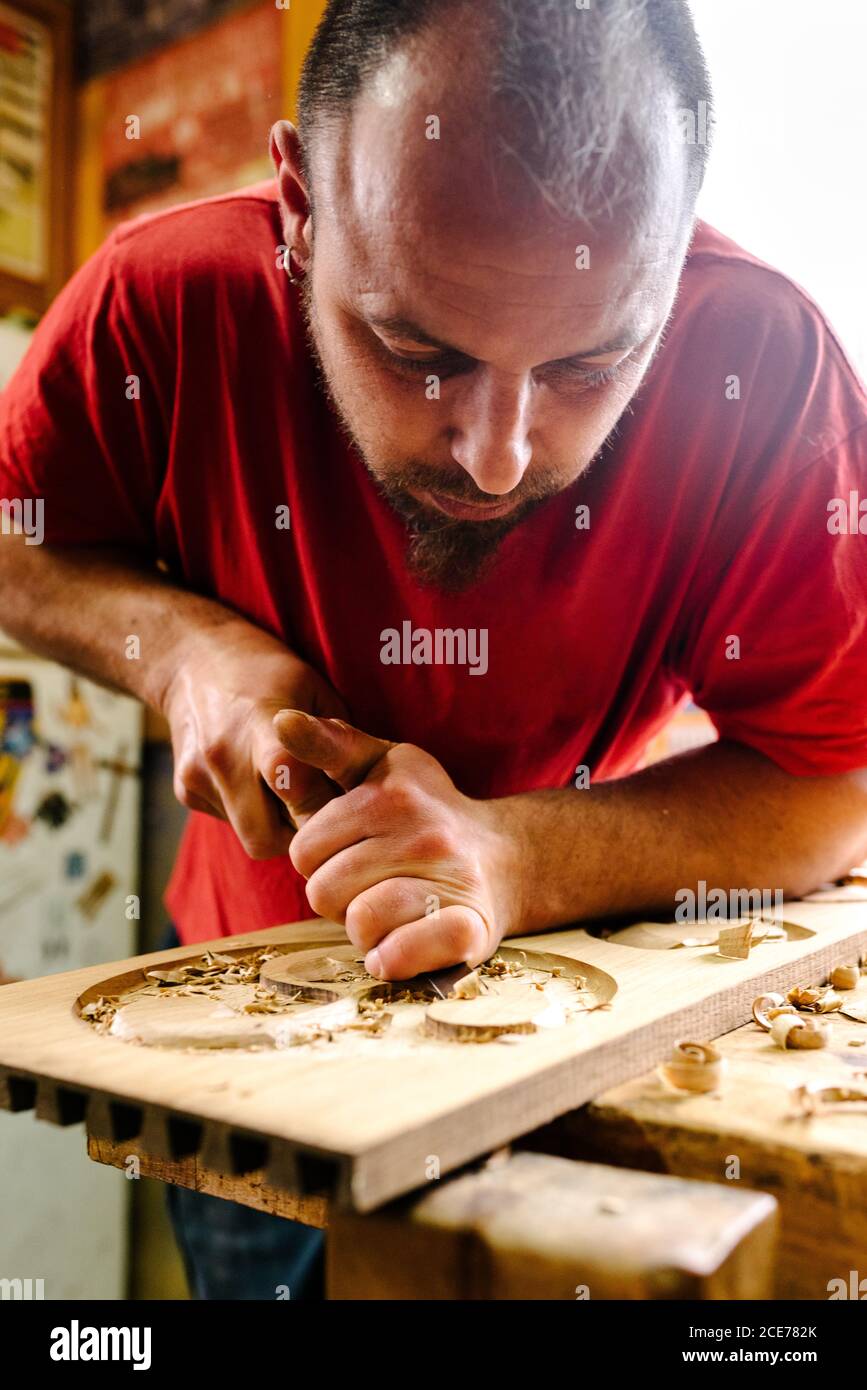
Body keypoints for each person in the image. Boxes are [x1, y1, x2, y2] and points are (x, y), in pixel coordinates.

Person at [1, 0, 866, 1299]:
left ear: (669, 258)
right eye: (416, 350)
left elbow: (839, 777)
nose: (501, 452)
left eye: (593, 361)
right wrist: (184, 651)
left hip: (573, 1007)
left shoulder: (765, 367)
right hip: (247, 1020)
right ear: (298, 207)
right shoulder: (158, 304)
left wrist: (517, 854)